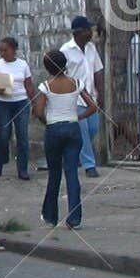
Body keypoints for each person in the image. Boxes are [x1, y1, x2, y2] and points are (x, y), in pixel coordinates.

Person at [33, 48, 99, 229]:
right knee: (72, 173)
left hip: (54, 128)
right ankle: (74, 218)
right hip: (72, 127)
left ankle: (50, 216)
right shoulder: (76, 83)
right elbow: (93, 106)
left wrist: (47, 122)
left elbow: (38, 111)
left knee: (54, 174)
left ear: (48, 68)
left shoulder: (45, 86)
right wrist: (79, 116)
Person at [61, 16, 106, 177]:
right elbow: (61, 75)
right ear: (79, 32)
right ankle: (89, 165)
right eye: (88, 30)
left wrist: (101, 93)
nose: (91, 33)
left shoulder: (91, 48)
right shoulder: (66, 51)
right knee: (83, 132)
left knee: (93, 128)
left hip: (91, 97)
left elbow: (98, 71)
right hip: (74, 98)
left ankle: (74, 153)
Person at [0, 36, 35, 179]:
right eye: (1, 50)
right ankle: (0, 163)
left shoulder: (23, 65)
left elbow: (28, 85)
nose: (2, 53)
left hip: (21, 102)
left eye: (5, 50)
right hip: (2, 102)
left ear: (13, 50)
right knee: (4, 134)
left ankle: (22, 169)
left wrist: (34, 102)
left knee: (22, 136)